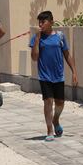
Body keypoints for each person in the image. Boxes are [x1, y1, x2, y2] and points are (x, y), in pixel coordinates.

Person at [29, 11, 77, 142]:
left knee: (60, 102)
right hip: (44, 76)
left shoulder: (60, 36)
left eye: (43, 22)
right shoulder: (36, 38)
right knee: (48, 101)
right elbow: (34, 57)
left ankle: (56, 119)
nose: (40, 24)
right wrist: (38, 40)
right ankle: (49, 130)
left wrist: (74, 72)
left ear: (51, 22)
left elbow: (67, 55)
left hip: (58, 76)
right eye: (39, 22)